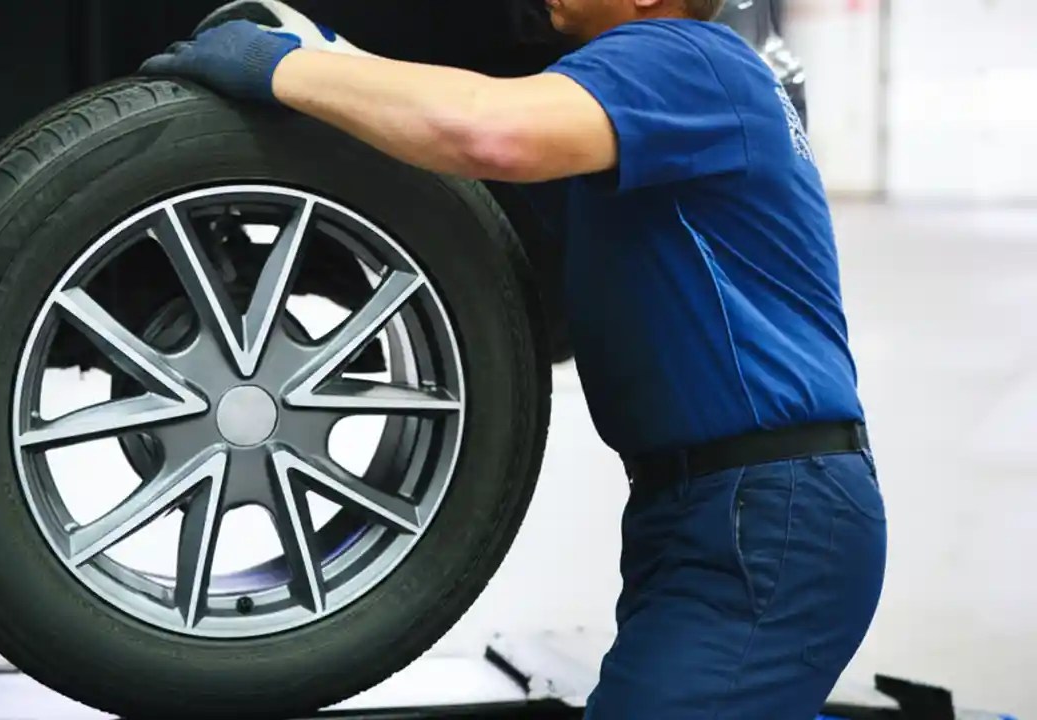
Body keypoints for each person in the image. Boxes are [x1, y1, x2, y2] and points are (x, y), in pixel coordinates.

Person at [140, 1, 888, 717]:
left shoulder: (683, 57)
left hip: (768, 510)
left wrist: (282, 67)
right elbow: (458, 140)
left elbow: (486, 132)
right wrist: (335, 60)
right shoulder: (660, 96)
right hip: (715, 506)